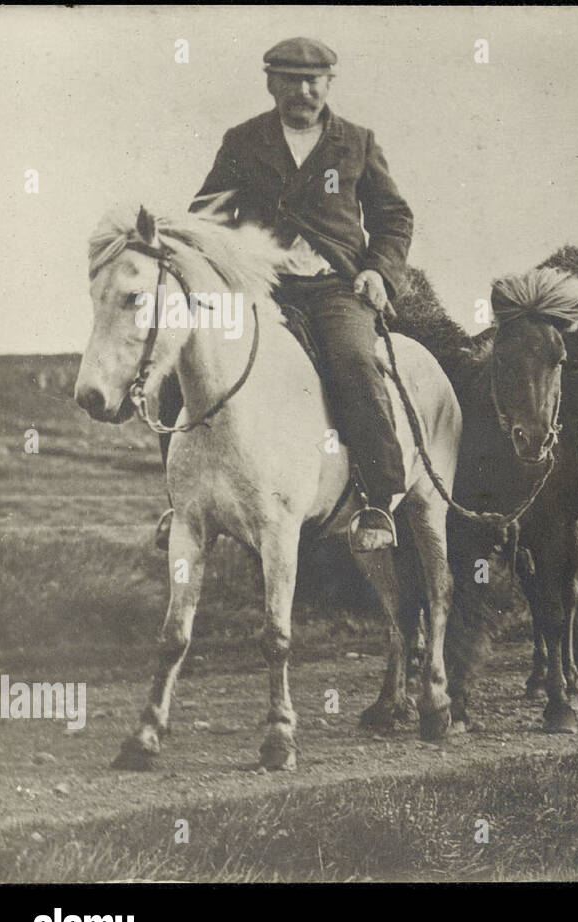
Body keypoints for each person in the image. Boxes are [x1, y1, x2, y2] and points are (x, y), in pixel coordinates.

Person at [155, 37, 414, 551]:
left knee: (354, 363)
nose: (302, 90)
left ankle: (378, 500)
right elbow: (206, 216)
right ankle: (178, 500)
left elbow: (394, 219)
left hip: (334, 286)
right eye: (290, 79)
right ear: (270, 82)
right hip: (258, 288)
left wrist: (379, 273)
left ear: (328, 83)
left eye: (312, 79)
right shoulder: (243, 141)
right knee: (178, 366)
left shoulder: (357, 142)